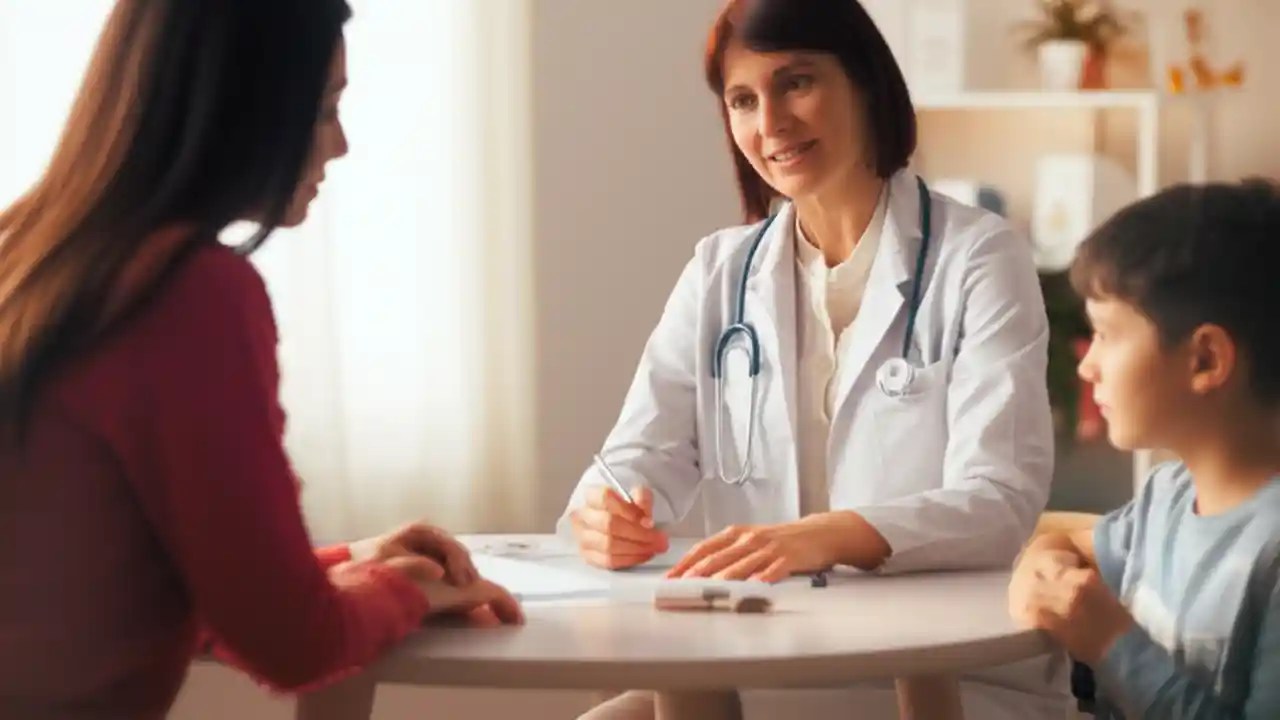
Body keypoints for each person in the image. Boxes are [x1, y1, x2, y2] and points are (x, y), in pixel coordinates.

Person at [0, 2, 520, 718]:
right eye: (322, 110)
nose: (339, 145)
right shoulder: (188, 291)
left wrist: (349, 565)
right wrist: (413, 591)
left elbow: (106, 583)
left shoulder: (26, 255)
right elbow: (295, 645)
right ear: (240, 107)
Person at [560, 0, 1066, 717]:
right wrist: (605, 514)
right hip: (768, 656)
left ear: (865, 83)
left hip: (950, 673)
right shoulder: (719, 272)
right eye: (742, 100)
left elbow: (999, 498)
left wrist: (825, 537)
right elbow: (633, 461)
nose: (770, 123)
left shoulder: (978, 257)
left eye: (795, 83)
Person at [1009, 179, 1280, 719]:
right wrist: (1044, 563)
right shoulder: (1168, 496)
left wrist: (1111, 644)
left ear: (1205, 360)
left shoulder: (1268, 549)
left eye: (1106, 335)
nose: (1087, 366)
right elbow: (1070, 543)